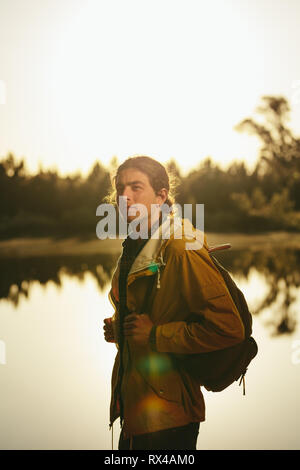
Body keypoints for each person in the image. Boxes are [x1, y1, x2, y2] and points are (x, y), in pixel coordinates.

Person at [103, 155, 245, 450]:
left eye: (136, 187)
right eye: (120, 188)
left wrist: (154, 334)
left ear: (161, 196)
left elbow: (229, 327)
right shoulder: (134, 245)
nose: (125, 196)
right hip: (136, 412)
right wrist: (122, 329)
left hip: (169, 420)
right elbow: (152, 315)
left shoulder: (180, 248)